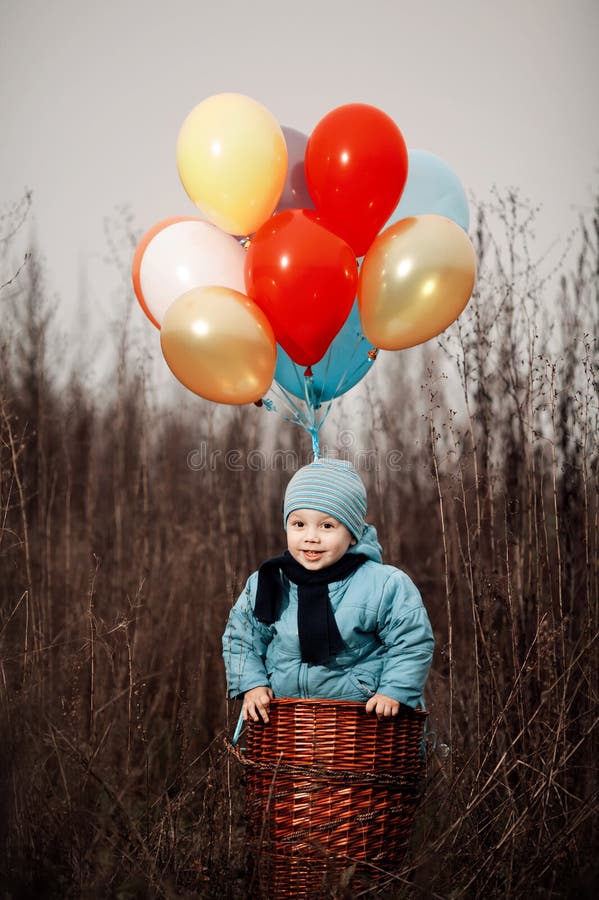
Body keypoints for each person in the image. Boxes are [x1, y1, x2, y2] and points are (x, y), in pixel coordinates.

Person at [222, 458, 434, 724]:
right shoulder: (269, 580)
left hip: (361, 724)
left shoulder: (384, 584)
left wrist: (394, 691)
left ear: (353, 534)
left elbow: (412, 640)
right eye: (299, 524)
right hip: (287, 722)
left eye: (327, 526)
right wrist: (252, 684)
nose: (311, 537)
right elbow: (242, 636)